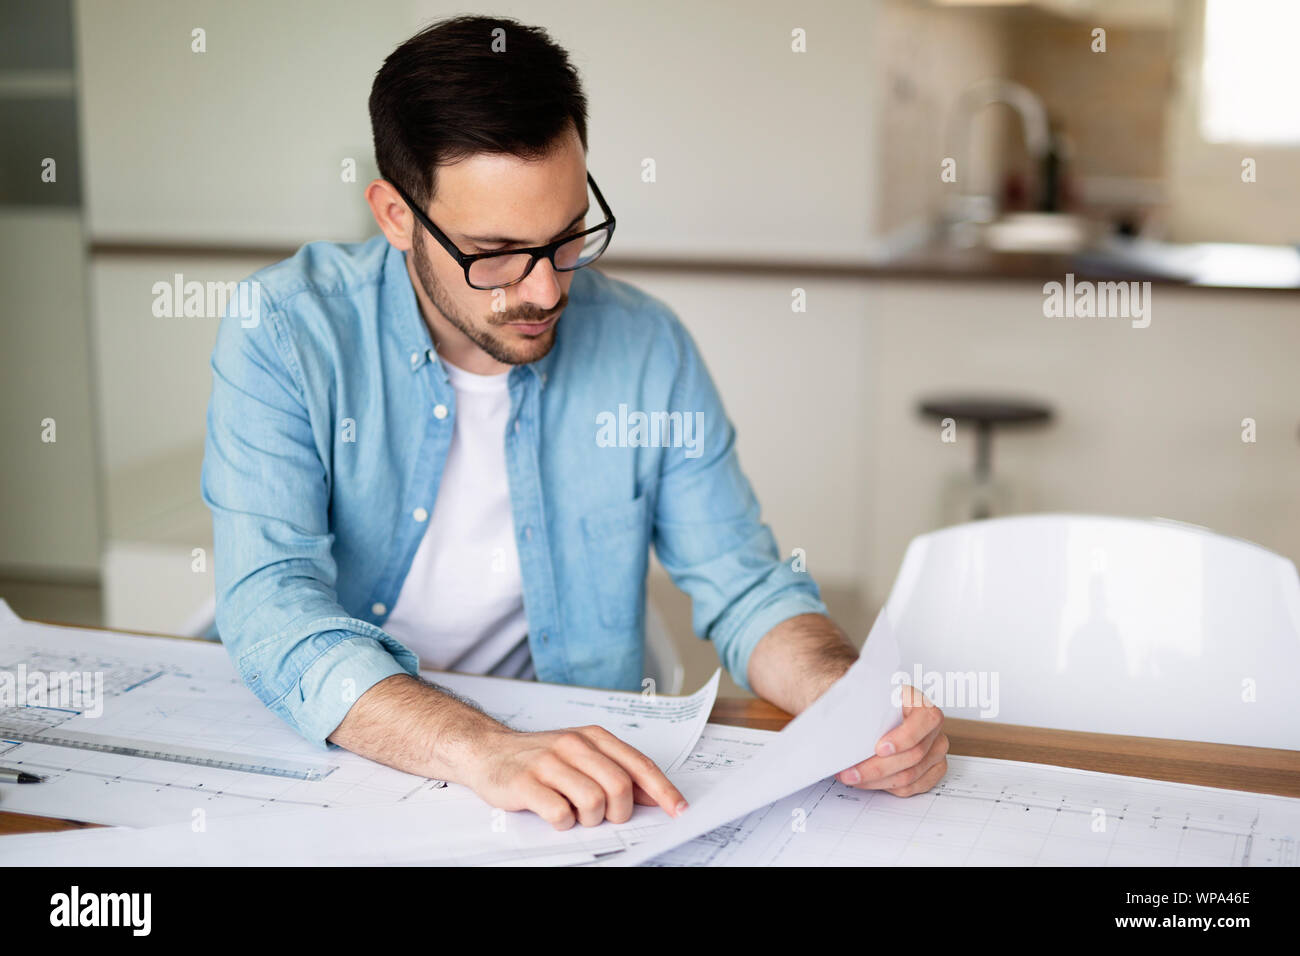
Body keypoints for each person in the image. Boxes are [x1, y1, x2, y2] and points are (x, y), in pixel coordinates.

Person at [201, 14, 948, 831]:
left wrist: (848, 699)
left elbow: (744, 586)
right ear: (395, 215)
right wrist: (480, 747)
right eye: (495, 252)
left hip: (564, 787)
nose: (547, 292)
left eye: (566, 239)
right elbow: (272, 606)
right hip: (361, 758)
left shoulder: (645, 345)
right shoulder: (282, 330)